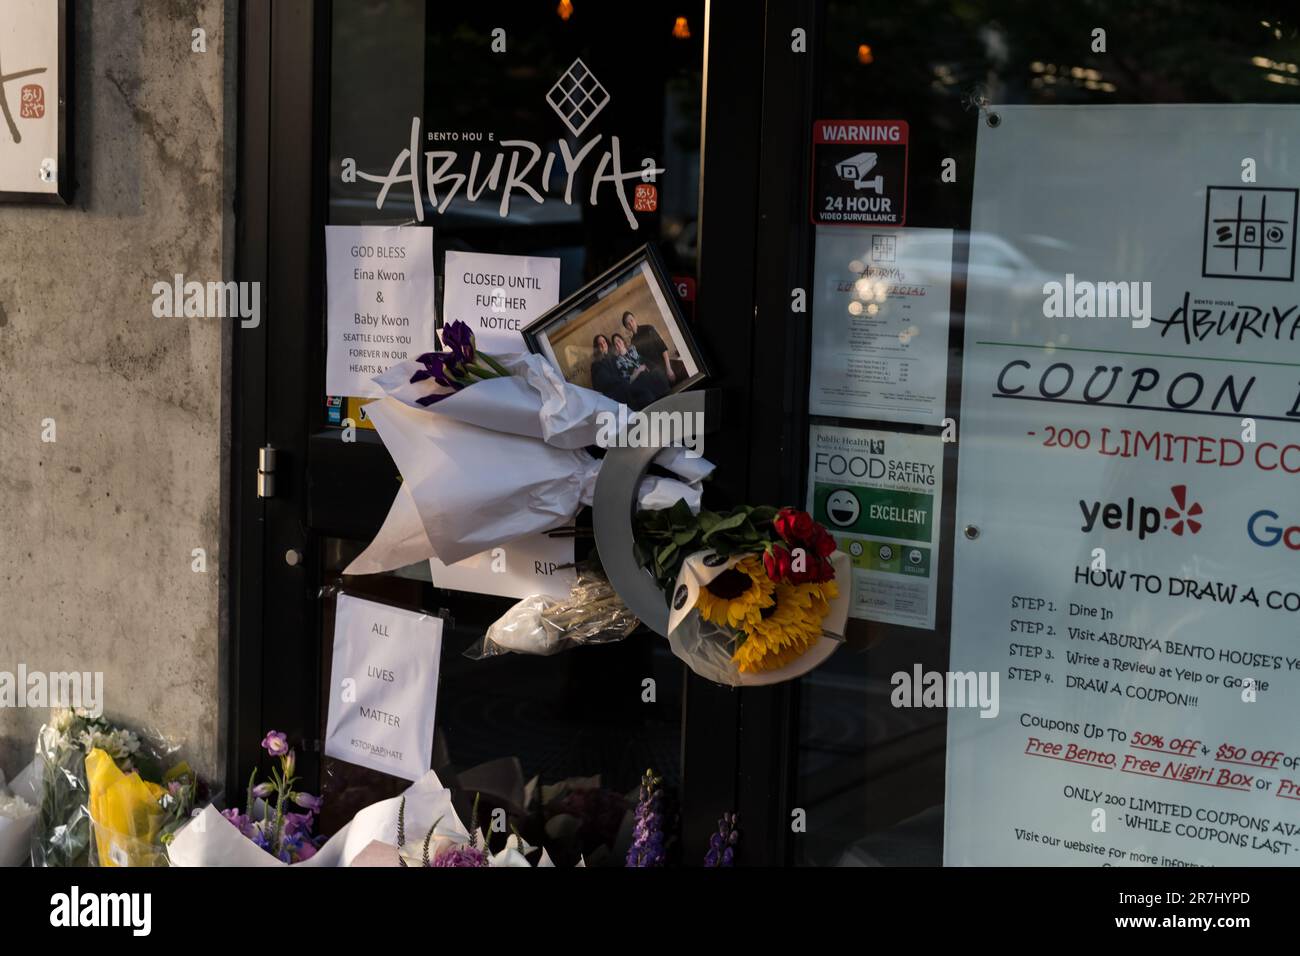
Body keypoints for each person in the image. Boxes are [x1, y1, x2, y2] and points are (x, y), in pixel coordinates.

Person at [621, 311, 676, 388]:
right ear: (627, 327)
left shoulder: (648, 328)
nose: (631, 324)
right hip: (653, 373)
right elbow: (640, 361)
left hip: (663, 366)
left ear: (635, 319)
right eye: (628, 324)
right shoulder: (633, 342)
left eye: (631, 320)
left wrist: (669, 368)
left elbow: (662, 348)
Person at [612, 332, 668, 408]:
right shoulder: (618, 361)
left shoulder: (632, 348)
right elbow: (628, 380)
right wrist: (638, 370)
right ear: (615, 347)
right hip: (636, 382)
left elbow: (642, 361)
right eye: (615, 344)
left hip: (646, 374)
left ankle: (666, 401)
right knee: (647, 389)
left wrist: (639, 369)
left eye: (618, 341)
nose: (618, 344)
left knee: (658, 376)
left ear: (622, 341)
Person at [588, 333, 632, 404]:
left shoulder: (613, 358)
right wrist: (623, 380)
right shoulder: (596, 365)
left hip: (623, 387)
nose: (603, 345)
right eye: (600, 344)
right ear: (597, 348)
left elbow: (623, 371)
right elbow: (607, 380)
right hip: (611, 396)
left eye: (604, 342)